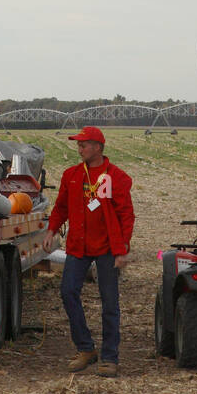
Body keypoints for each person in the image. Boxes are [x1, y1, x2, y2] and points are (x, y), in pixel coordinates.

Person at [42, 126, 134, 377]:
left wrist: (123, 247)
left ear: (98, 147)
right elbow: (61, 207)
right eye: (79, 144)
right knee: (68, 292)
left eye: (83, 144)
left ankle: (109, 357)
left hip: (107, 249)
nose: (79, 148)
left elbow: (126, 214)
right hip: (78, 247)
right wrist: (51, 230)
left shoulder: (117, 177)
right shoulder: (71, 175)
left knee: (110, 303)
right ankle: (86, 349)